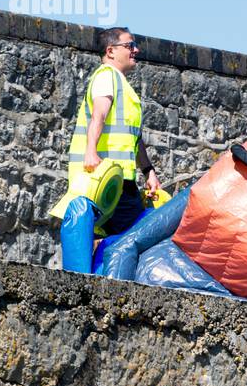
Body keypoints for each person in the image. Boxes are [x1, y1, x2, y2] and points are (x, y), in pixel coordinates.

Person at [49, 26, 162, 272]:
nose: (136, 50)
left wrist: (149, 171)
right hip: (103, 177)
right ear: (110, 51)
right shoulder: (106, 77)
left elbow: (135, 137)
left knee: (130, 240)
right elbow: (98, 116)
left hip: (121, 181)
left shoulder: (125, 87)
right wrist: (91, 151)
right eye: (130, 46)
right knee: (130, 237)